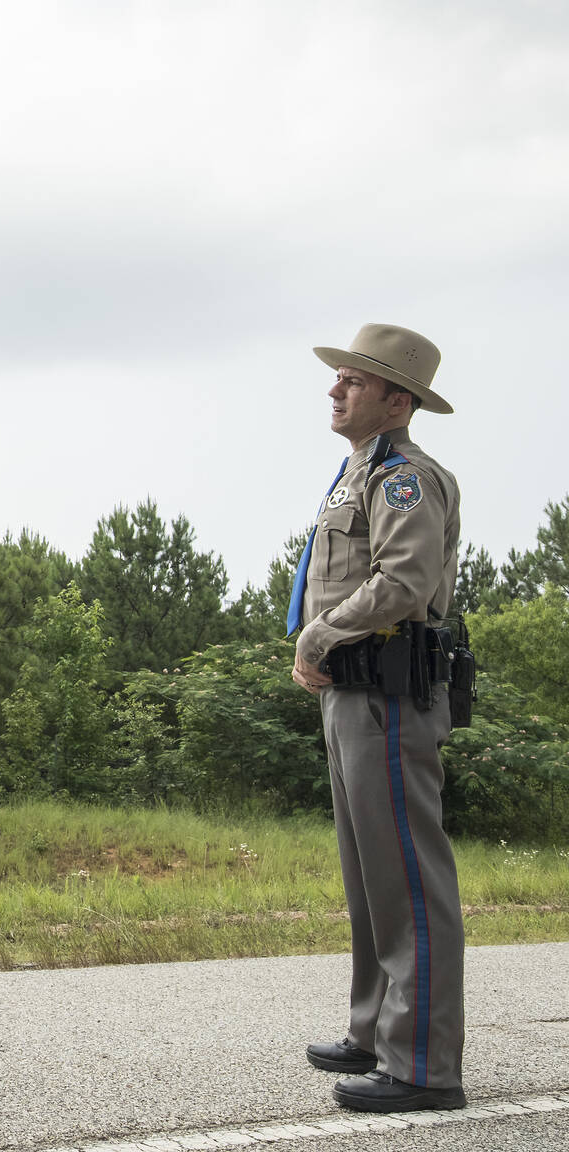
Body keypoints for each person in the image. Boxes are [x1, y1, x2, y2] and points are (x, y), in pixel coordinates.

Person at [286, 323, 466, 1114]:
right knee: (368, 880)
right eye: (340, 378)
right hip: (351, 695)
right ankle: (375, 1032)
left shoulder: (405, 478)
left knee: (408, 885)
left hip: (390, 698)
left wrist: (319, 633)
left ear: (397, 400)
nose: (335, 388)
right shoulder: (355, 472)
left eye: (354, 381)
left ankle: (423, 1066)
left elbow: (402, 582)